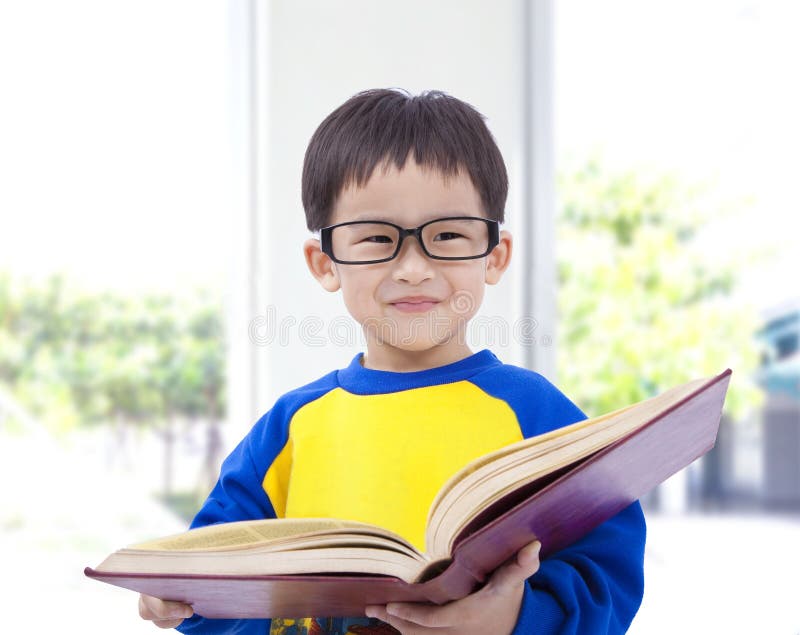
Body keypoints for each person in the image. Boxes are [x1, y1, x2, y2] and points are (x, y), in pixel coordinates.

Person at [138, 88, 646, 634]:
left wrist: (515, 620)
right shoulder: (290, 426)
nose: (413, 268)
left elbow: (608, 571)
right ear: (325, 262)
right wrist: (177, 594)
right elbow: (215, 569)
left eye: (447, 235)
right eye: (378, 239)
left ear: (495, 256)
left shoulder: (536, 412)